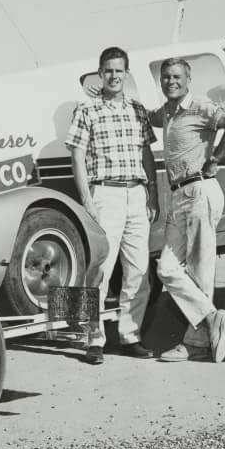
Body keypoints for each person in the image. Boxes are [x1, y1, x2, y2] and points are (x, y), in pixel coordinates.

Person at [65, 46, 159, 365]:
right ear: (100, 73)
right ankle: (94, 340)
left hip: (136, 195)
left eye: (119, 70)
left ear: (126, 73)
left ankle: (130, 335)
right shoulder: (87, 109)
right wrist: (87, 199)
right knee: (100, 270)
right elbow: (76, 155)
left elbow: (147, 153)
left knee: (139, 271)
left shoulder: (137, 109)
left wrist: (153, 193)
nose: (114, 76)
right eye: (108, 70)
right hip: (105, 194)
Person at [150, 58, 225, 363]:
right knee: (166, 269)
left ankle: (195, 343)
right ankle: (212, 317)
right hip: (179, 195)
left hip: (199, 190)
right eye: (165, 77)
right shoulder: (167, 112)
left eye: (176, 76)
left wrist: (216, 159)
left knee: (201, 271)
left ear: (188, 80)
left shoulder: (200, 105)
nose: (170, 81)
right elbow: (148, 117)